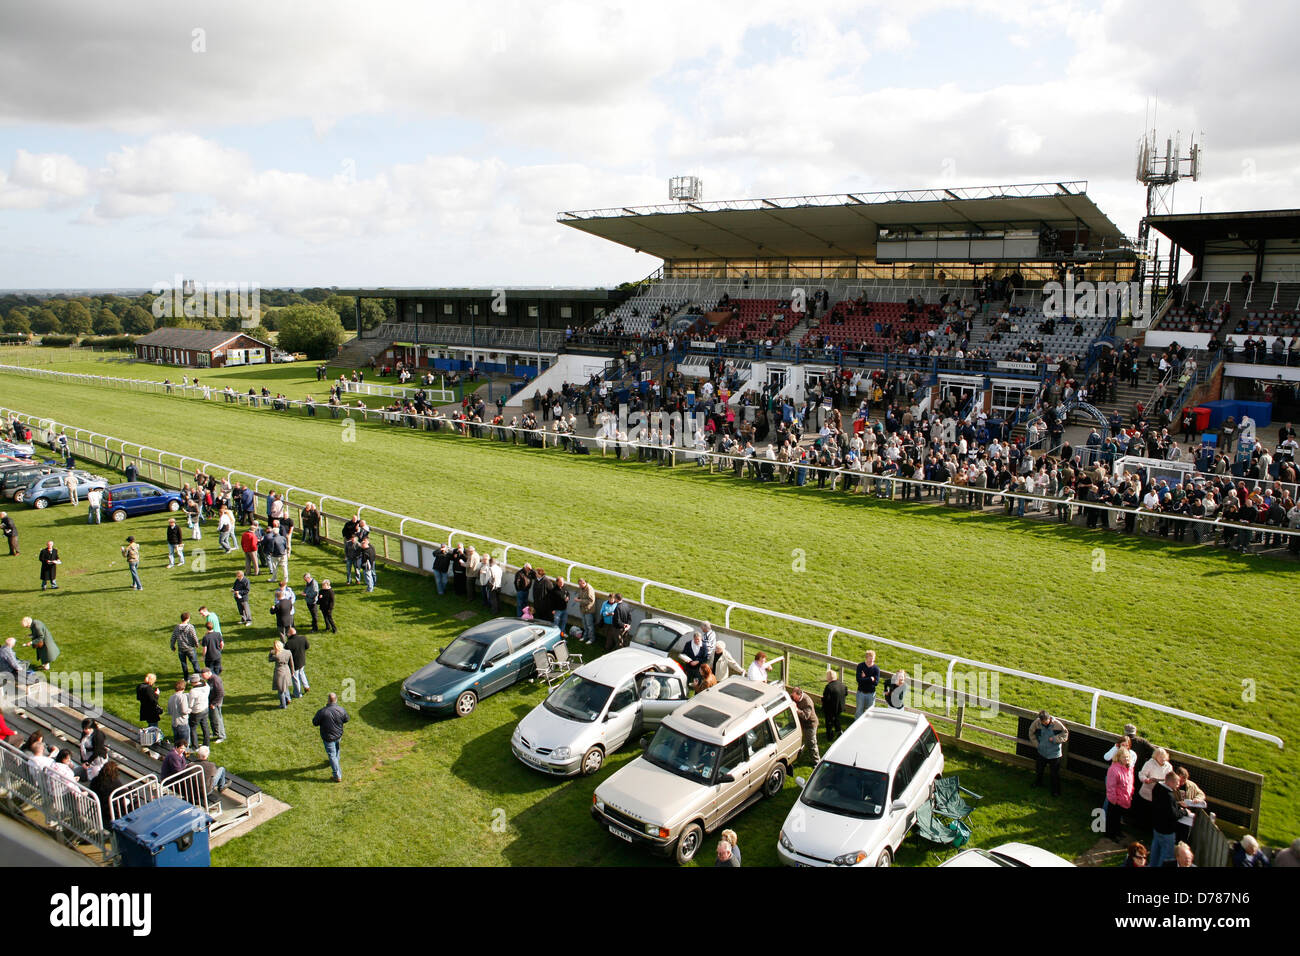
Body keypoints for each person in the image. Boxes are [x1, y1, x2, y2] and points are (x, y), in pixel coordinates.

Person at [1028, 709, 1068, 797]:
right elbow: (1031, 733)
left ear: (1049, 718)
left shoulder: (1057, 724)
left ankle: (1056, 791)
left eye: (1046, 722)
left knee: (1055, 774)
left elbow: (1065, 734)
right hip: (1041, 752)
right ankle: (1038, 783)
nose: (1044, 724)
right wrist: (1037, 745)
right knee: (1039, 770)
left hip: (1054, 754)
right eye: (1043, 722)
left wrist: (1055, 739)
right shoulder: (1037, 723)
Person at [1149, 770, 1184, 868]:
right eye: (1177, 784)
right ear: (1170, 782)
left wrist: (1176, 806)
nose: (1177, 786)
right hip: (1167, 830)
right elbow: (1173, 814)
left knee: (1155, 850)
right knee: (1166, 855)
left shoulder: (1157, 788)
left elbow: (1165, 807)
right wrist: (1184, 812)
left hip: (1157, 826)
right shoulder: (1168, 795)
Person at [312, 691, 349, 783]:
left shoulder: (322, 711)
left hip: (328, 737)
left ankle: (337, 775)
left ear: (328, 700)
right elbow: (346, 719)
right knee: (336, 750)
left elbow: (315, 722)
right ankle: (336, 761)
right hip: (338, 734)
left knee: (332, 755)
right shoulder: (341, 710)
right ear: (336, 700)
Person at [1104, 746, 1134, 841]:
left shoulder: (1129, 769)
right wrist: (1113, 800)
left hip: (1125, 799)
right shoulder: (1114, 769)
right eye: (1124, 757)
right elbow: (1111, 786)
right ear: (1118, 757)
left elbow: (1130, 783)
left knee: (1118, 818)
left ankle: (1118, 832)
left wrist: (1130, 794)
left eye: (1128, 757)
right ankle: (1110, 835)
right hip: (1116, 800)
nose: (1126, 759)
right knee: (1112, 818)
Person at [790, 686, 820, 765]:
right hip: (801, 724)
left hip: (810, 725)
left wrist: (796, 709)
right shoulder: (794, 696)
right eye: (793, 696)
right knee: (800, 740)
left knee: (812, 744)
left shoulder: (807, 702)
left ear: (799, 695)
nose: (793, 699)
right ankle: (799, 754)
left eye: (795, 697)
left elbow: (806, 716)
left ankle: (816, 762)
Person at [171, 612, 200, 679]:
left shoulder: (177, 627)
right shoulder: (190, 627)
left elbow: (173, 637)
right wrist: (197, 644)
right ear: (187, 619)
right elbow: (194, 636)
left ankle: (186, 678)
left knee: (184, 664)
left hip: (181, 649)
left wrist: (172, 646)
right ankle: (199, 677)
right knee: (195, 663)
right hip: (190, 648)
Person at [187, 674, 213, 748]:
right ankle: (206, 744)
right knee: (205, 726)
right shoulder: (206, 686)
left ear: (193, 682)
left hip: (196, 711)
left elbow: (191, 704)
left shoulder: (193, 691)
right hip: (205, 708)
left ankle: (195, 746)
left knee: (192, 728)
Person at [821, 669, 847, 742]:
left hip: (831, 709)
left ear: (828, 678)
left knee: (829, 723)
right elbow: (846, 693)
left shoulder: (828, 687)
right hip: (840, 707)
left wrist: (823, 701)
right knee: (836, 718)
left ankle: (829, 736)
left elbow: (826, 699)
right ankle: (839, 730)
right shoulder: (842, 685)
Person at [202, 667, 226, 743]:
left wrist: (214, 704)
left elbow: (221, 693)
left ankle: (221, 736)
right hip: (211, 702)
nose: (203, 677)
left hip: (215, 703)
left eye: (204, 675)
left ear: (209, 673)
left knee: (217, 719)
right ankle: (215, 733)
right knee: (212, 718)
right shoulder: (210, 679)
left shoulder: (215, 680)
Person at [285, 627, 310, 698]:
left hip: (294, 664)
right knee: (302, 673)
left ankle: (298, 694)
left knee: (295, 678)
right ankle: (306, 686)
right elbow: (307, 647)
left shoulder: (289, 644)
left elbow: (286, 655)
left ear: (290, 634)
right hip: (302, 660)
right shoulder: (303, 638)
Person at [855, 650, 880, 718]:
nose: (872, 659)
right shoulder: (860, 666)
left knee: (870, 712)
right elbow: (858, 680)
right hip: (861, 693)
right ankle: (856, 726)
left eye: (873, 658)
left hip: (871, 694)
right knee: (859, 711)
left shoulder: (876, 669)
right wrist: (870, 679)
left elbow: (876, 683)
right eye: (870, 658)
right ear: (866, 657)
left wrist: (864, 678)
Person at [269, 640, 294, 708]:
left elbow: (270, 659)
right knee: (285, 686)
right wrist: (292, 671)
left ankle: (283, 705)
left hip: (280, 672)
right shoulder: (288, 652)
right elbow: (291, 663)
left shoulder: (276, 655)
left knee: (280, 690)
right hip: (287, 670)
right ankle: (288, 698)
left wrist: (271, 652)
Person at [167, 679, 191, 746]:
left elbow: (169, 711)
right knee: (184, 744)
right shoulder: (182, 697)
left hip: (174, 723)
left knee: (177, 744)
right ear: (183, 688)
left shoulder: (171, 697)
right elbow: (184, 711)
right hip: (182, 723)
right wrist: (190, 710)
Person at [576, 578, 597, 643]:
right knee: (585, 624)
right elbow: (581, 594)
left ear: (584, 583)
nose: (579, 586)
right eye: (579, 585)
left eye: (580, 585)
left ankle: (591, 638)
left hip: (588, 610)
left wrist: (579, 600)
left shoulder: (589, 589)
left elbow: (590, 600)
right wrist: (578, 597)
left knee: (589, 625)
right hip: (583, 609)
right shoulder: (581, 588)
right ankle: (585, 636)